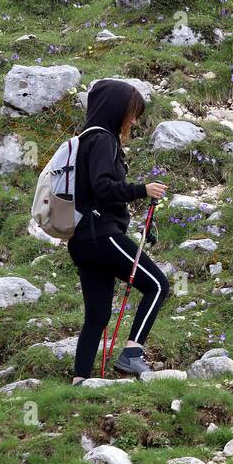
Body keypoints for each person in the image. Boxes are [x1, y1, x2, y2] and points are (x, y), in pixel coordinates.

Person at [67, 79, 168, 383]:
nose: (134, 120)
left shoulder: (85, 140)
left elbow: (95, 190)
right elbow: (103, 186)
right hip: (102, 236)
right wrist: (143, 189)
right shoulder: (104, 139)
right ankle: (132, 354)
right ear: (116, 110)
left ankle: (80, 381)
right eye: (132, 112)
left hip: (82, 240)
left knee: (97, 316)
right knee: (158, 286)